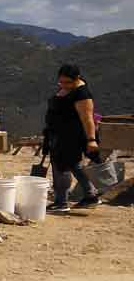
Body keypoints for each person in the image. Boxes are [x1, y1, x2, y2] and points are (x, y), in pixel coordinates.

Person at [44, 64, 100, 211]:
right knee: (74, 165)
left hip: (71, 136)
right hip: (59, 134)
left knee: (61, 166)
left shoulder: (82, 94)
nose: (63, 85)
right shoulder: (68, 89)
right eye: (61, 82)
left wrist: (91, 139)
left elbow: (87, 118)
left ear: (77, 79)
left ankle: (61, 202)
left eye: (67, 82)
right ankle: (90, 195)